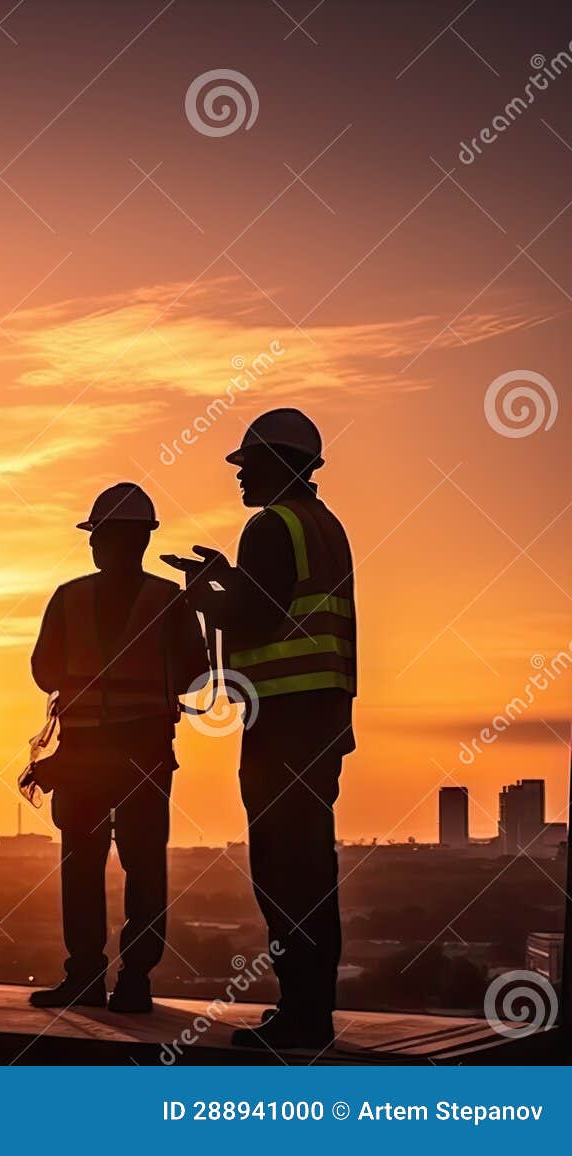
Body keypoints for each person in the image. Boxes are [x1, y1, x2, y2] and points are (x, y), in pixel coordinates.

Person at [163, 408, 356, 1051]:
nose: (240, 477)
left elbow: (260, 620)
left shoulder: (270, 526)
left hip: (284, 725)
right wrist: (227, 577)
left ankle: (301, 1015)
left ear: (277, 464)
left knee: (282, 870)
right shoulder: (321, 526)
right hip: (319, 721)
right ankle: (311, 1010)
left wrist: (202, 599)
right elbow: (282, 604)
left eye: (247, 466)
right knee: (309, 866)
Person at [29, 482, 209, 1013]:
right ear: (143, 542)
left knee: (82, 865)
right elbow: (197, 675)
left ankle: (84, 977)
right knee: (144, 866)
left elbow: (44, 673)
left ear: (98, 541)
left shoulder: (69, 597)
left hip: (84, 754)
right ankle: (134, 982)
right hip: (145, 754)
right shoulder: (169, 600)